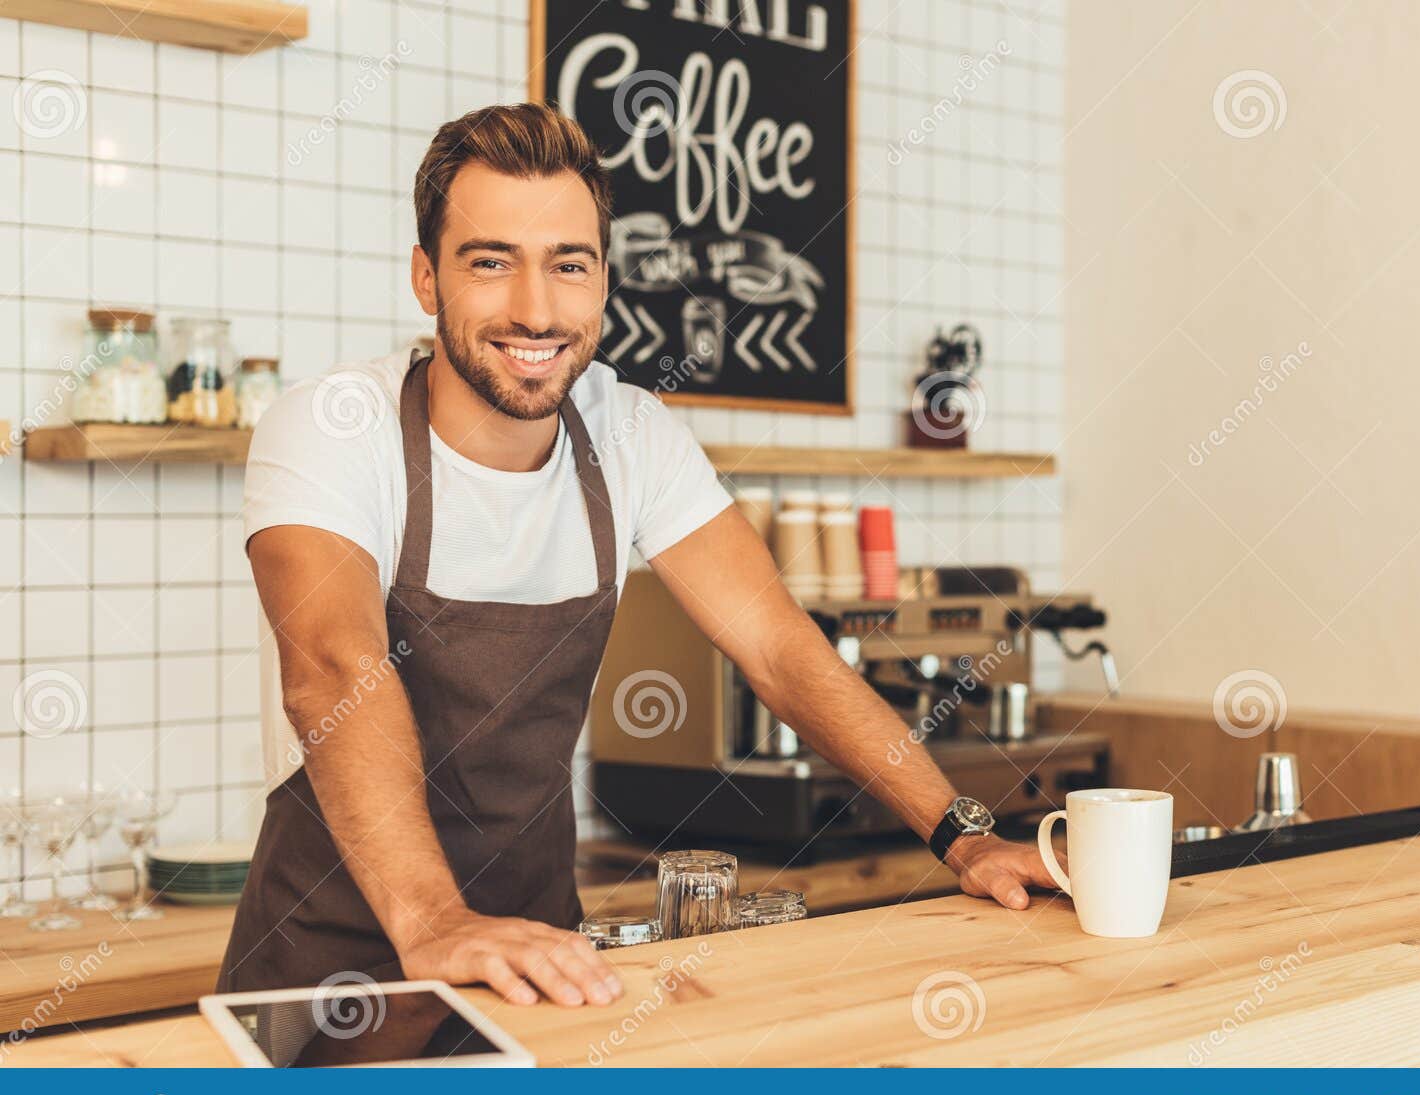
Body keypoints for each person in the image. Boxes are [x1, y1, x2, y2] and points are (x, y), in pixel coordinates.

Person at [218, 103, 1066, 1009]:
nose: (535, 309)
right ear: (427, 279)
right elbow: (331, 665)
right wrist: (432, 921)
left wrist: (962, 835)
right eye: (490, 262)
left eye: (567, 266)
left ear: (605, 282)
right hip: (326, 964)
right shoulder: (332, 426)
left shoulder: (629, 434)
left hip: (541, 957)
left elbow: (779, 646)